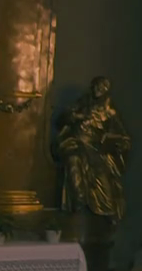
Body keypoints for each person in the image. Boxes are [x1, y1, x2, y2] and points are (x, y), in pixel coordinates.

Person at [55, 76, 131, 220]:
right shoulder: (82, 104)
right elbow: (62, 120)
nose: (98, 90)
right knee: (74, 161)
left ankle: (103, 212)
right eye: (96, 87)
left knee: (101, 176)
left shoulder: (110, 112)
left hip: (96, 149)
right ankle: (79, 204)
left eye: (102, 88)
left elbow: (123, 137)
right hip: (77, 143)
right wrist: (76, 117)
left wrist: (112, 140)